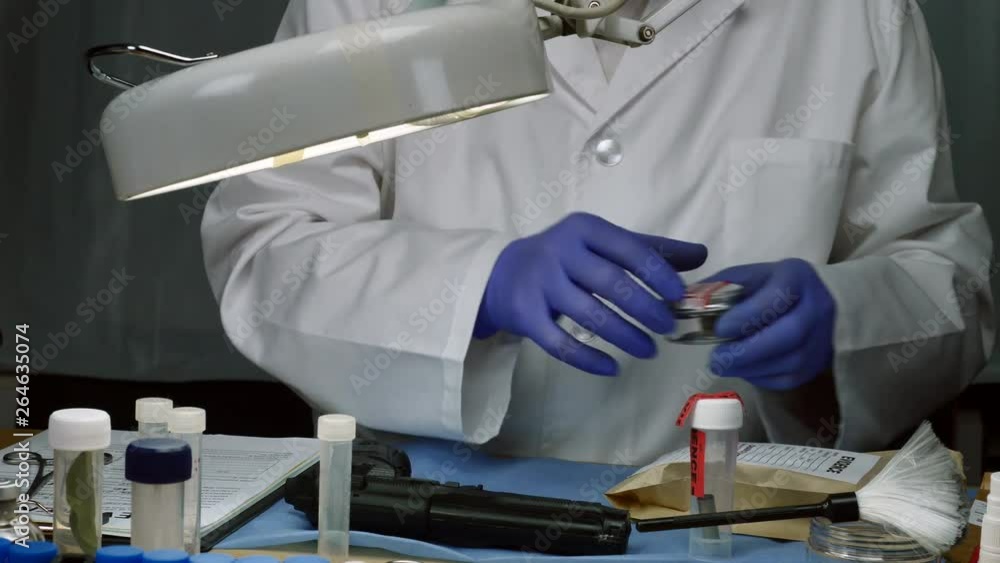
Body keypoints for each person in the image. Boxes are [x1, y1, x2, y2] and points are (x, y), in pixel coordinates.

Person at [201, 0, 994, 465]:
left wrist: (845, 320)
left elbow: (947, 278)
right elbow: (269, 247)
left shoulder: (852, 16)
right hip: (424, 519)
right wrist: (478, 286)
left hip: (737, 525)